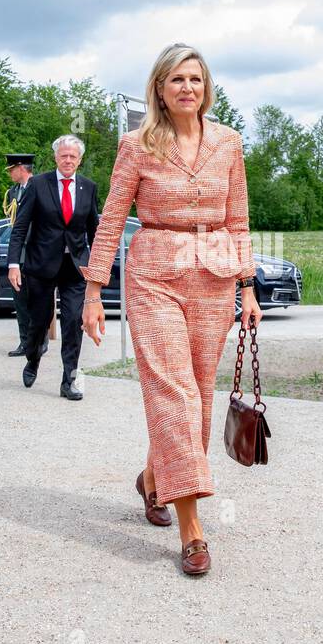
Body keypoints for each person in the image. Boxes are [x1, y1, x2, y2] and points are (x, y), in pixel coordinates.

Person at [82, 43, 261, 577]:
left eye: (196, 79)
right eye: (177, 79)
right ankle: (192, 531)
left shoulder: (228, 143)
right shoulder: (136, 145)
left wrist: (247, 286)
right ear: (159, 88)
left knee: (198, 395)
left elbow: (240, 218)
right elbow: (112, 217)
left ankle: (154, 479)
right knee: (175, 393)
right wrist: (93, 291)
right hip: (154, 273)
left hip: (213, 275)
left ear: (207, 88)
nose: (188, 88)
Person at [7, 134, 99, 400]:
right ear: (56, 158)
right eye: (63, 156)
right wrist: (14, 263)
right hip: (41, 266)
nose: (68, 160)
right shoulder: (38, 184)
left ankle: (68, 380)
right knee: (38, 323)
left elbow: (94, 230)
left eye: (73, 156)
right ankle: (33, 358)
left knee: (72, 323)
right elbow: (20, 227)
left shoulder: (88, 188)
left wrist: (97, 267)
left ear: (79, 160)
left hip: (75, 268)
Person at [2, 153, 40, 358]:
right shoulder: (14, 192)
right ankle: (25, 341)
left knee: (37, 301)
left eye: (11, 170)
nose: (9, 174)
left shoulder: (41, 186)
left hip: (36, 251)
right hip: (19, 251)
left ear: (21, 168)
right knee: (20, 300)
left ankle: (39, 341)